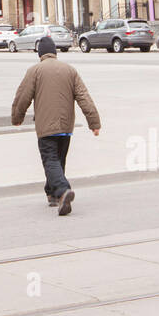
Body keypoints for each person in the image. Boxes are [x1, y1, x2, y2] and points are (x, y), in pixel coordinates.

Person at [11, 36, 100, 216]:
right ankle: (52, 194)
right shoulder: (70, 70)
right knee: (58, 160)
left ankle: (62, 191)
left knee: (50, 160)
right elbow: (84, 97)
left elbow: (22, 98)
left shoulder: (34, 71)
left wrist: (17, 117)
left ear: (40, 53)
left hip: (45, 127)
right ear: (55, 52)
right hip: (66, 127)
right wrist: (94, 122)